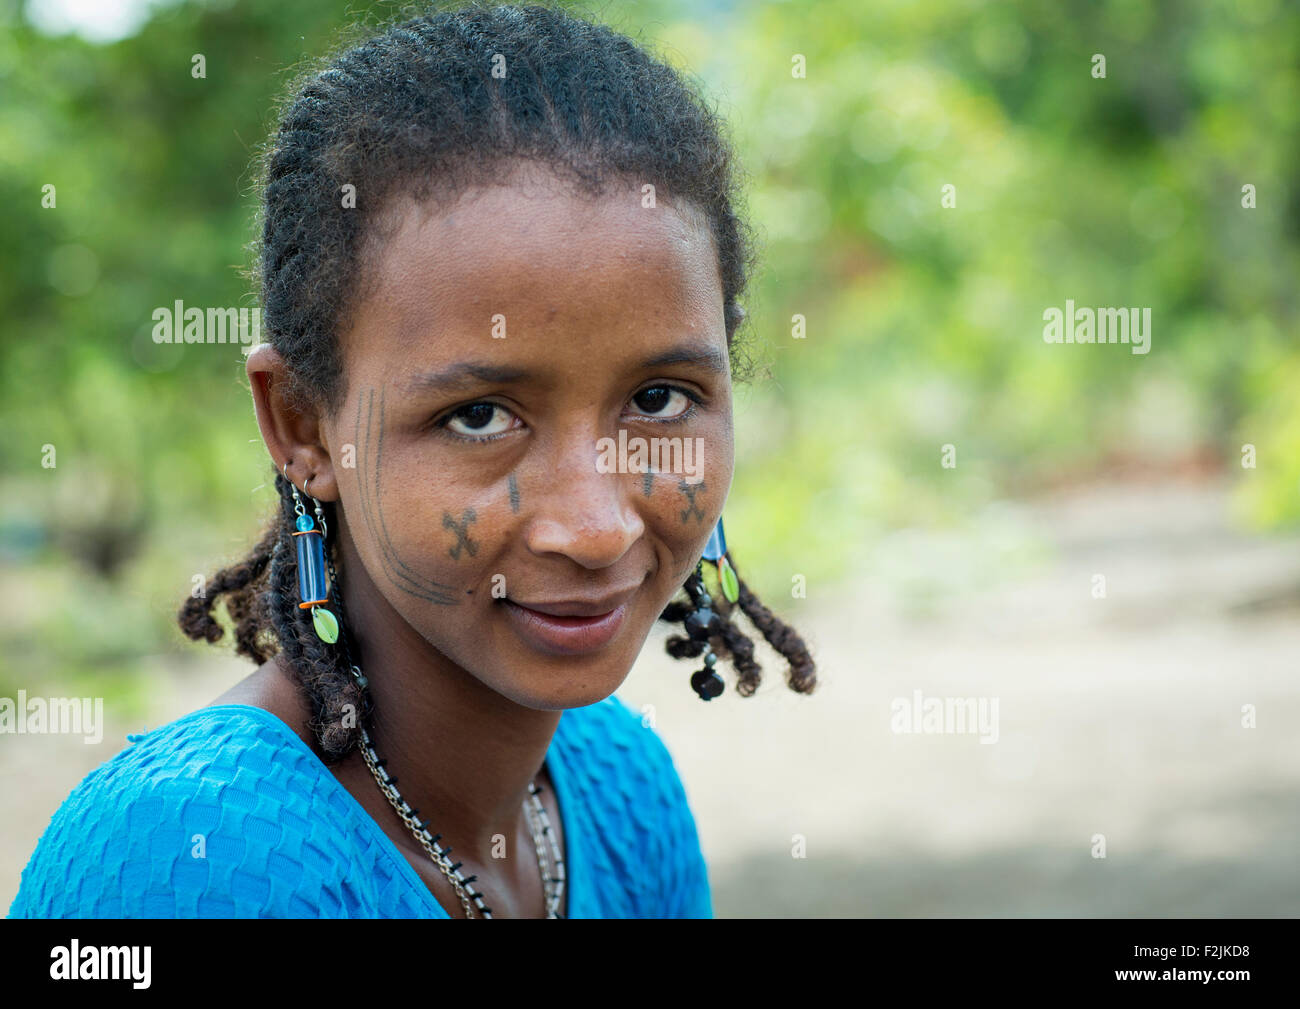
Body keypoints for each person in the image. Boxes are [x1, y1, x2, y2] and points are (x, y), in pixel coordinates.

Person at [9, 1, 816, 919]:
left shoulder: (619, 788)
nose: (595, 527)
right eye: (479, 415)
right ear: (305, 426)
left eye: (660, 398)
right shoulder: (188, 860)